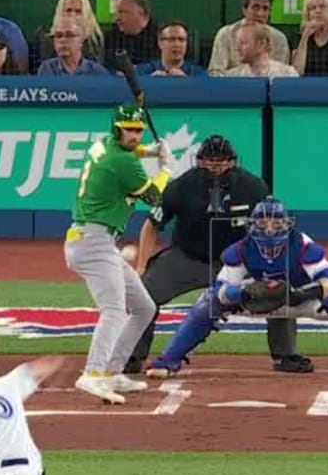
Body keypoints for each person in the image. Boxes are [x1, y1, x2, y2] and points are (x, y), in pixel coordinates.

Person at [146, 198, 328, 382]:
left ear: (286, 225)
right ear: (252, 225)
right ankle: (168, 361)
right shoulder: (241, 250)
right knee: (208, 303)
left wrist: (299, 294)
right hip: (258, 300)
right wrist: (245, 294)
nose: (270, 229)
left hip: (301, 299)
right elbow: (222, 290)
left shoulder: (303, 245)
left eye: (276, 224)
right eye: (264, 224)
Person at [122, 135, 310, 376]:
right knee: (143, 295)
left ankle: (285, 355)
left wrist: (270, 258)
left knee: (278, 289)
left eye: (222, 162)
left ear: (233, 162)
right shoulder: (181, 186)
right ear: (199, 161)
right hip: (188, 257)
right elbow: (151, 226)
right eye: (210, 162)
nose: (216, 168)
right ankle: (132, 355)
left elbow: (273, 223)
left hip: (239, 260)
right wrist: (141, 266)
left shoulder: (253, 187)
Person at [64, 102, 177, 404]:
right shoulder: (123, 163)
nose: (134, 136)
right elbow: (154, 196)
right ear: (117, 129)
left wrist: (150, 152)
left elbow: (128, 151)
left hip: (98, 241)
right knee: (114, 310)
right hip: (93, 242)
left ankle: (112, 372)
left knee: (144, 307)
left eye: (138, 131)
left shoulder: (105, 144)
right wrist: (165, 169)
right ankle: (92, 374)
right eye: (128, 130)